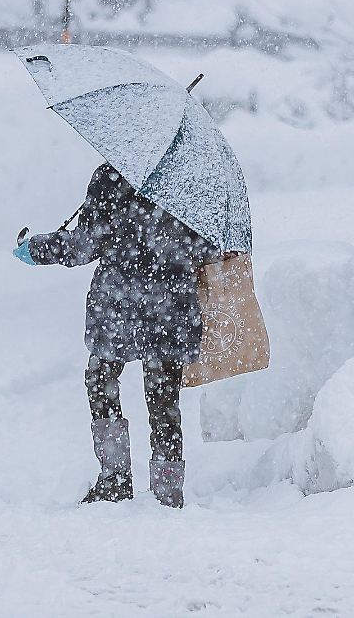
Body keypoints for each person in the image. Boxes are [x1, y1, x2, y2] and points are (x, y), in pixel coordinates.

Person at [15, 163, 218, 508]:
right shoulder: (186, 177)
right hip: (170, 307)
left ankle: (114, 478)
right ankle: (167, 492)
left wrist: (37, 248)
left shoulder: (113, 175)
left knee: (100, 380)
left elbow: (83, 245)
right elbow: (208, 248)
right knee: (163, 397)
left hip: (118, 306)